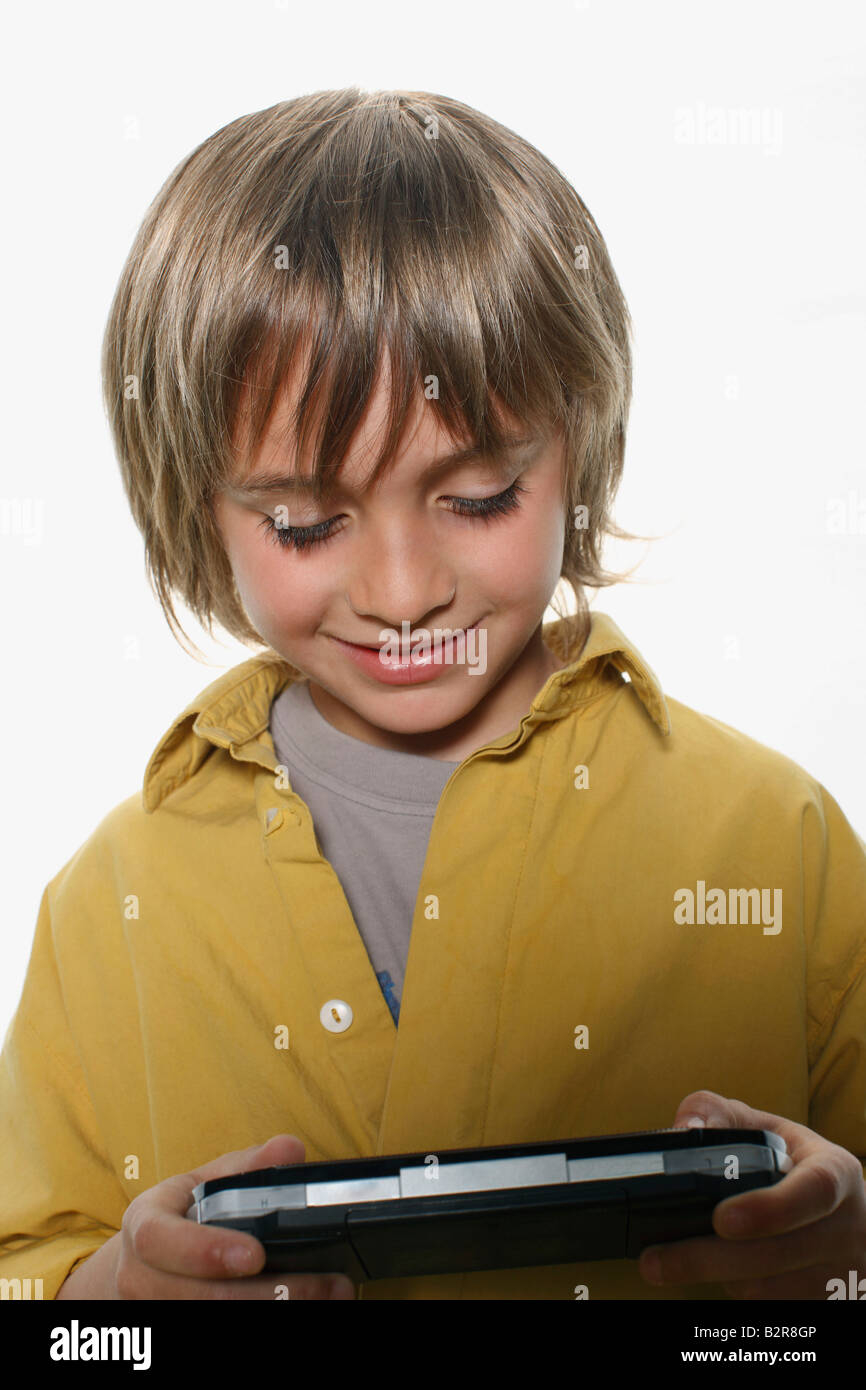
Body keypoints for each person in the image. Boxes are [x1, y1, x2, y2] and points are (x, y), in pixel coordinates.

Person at [1, 88, 864, 1303]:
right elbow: (32, 1273)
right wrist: (107, 1306)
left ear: (579, 451)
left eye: (475, 500)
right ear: (193, 504)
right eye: (306, 522)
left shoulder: (783, 841)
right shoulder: (107, 906)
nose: (403, 592)